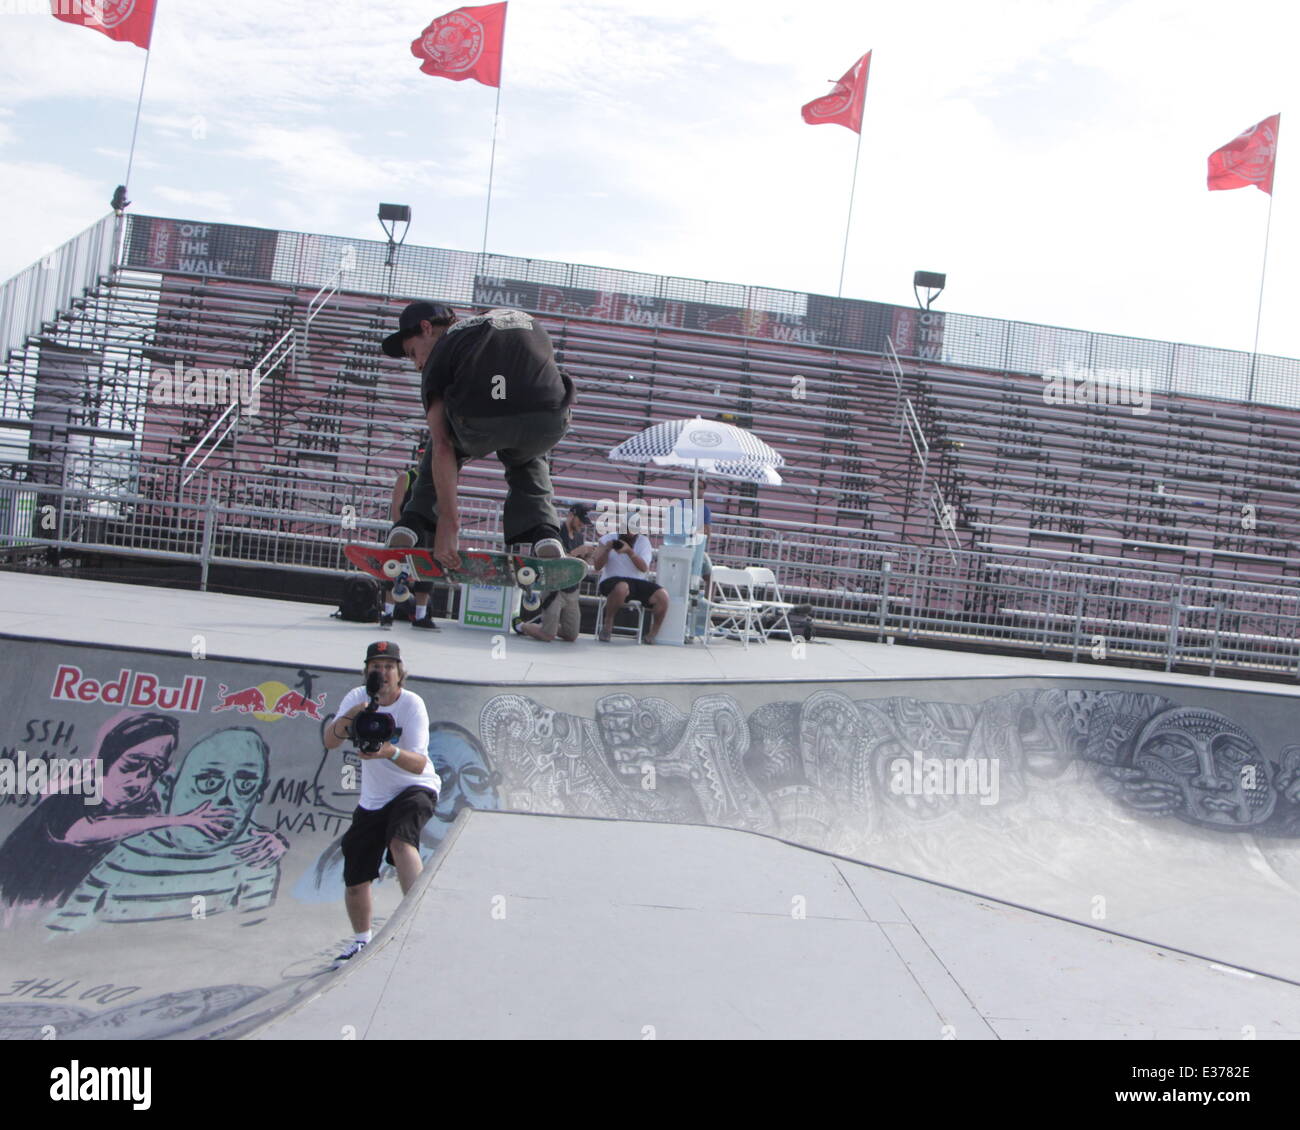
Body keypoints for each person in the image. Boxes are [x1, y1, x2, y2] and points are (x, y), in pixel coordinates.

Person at [381, 302, 575, 568]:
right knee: (528, 455)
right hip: (550, 416)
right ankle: (545, 533)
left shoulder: (445, 346)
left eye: (413, 353)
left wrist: (449, 524)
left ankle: (413, 521)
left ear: (426, 328)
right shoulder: (513, 317)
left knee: (440, 441)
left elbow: (442, 446)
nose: (417, 364)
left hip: (481, 420)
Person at [325, 640, 440, 962]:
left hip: (416, 787)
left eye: (389, 667)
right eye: (376, 667)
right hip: (374, 799)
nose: (383, 673)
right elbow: (330, 741)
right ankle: (362, 940)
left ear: (400, 672)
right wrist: (355, 712)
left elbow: (418, 764)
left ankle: (415, 921)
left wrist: (389, 750)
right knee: (355, 878)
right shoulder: (356, 698)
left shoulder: (412, 703)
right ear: (366, 672)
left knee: (400, 843)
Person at [513, 502, 595, 643]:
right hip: (554, 589)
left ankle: (547, 625)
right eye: (580, 520)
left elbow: (580, 565)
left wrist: (588, 556)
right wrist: (577, 552)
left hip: (572, 590)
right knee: (547, 636)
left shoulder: (579, 538)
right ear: (571, 515)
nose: (582, 525)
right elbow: (555, 561)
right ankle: (522, 626)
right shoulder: (555, 534)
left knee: (571, 635)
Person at [382, 452, 437, 630]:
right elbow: (396, 504)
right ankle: (387, 614)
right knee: (394, 569)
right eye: (421, 454)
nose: (424, 458)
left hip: (429, 528)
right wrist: (399, 527)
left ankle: (420, 617)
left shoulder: (440, 477)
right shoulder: (407, 477)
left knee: (426, 572)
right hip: (408, 526)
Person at [592, 525, 669, 644]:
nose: (630, 534)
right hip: (611, 579)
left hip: (636, 582)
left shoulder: (643, 542)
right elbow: (597, 566)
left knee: (663, 596)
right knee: (622, 587)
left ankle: (652, 633)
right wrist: (607, 549)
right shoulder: (607, 539)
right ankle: (608, 623)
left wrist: (629, 552)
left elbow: (644, 568)